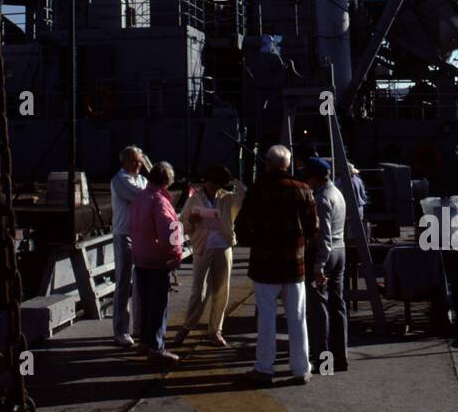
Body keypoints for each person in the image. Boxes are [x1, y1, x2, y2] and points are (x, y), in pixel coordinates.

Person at [234, 144, 318, 385]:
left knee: (267, 319)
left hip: (265, 265)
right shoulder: (303, 190)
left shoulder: (258, 190)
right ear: (288, 165)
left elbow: (241, 226)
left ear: (268, 164)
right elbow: (313, 228)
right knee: (298, 317)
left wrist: (255, 241)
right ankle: (301, 369)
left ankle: (264, 368)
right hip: (295, 265)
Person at [174, 164, 246, 347]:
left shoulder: (226, 198)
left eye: (218, 183)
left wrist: (232, 180)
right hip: (202, 247)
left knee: (222, 290)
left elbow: (244, 192)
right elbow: (183, 224)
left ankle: (215, 330)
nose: (214, 186)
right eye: (212, 182)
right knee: (199, 291)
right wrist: (191, 220)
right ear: (205, 181)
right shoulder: (194, 200)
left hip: (223, 247)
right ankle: (187, 326)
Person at [130, 161, 184, 365]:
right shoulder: (160, 202)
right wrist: (176, 253)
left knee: (145, 303)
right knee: (159, 305)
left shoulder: (140, 197)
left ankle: (144, 341)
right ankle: (156, 347)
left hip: (141, 257)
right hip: (157, 260)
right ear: (167, 180)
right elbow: (168, 232)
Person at [303, 157, 349, 373]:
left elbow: (324, 236)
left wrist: (318, 266)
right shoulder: (337, 193)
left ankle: (323, 361)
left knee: (319, 309)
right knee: (337, 306)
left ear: (315, 177)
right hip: (340, 251)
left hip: (325, 254)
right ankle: (340, 358)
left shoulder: (321, 199)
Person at [110, 145, 148, 347]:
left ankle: (139, 327)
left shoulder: (142, 180)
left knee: (140, 283)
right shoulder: (119, 180)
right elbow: (144, 198)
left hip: (141, 236)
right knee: (123, 283)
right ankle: (120, 330)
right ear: (124, 162)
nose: (138, 164)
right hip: (124, 234)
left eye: (140, 161)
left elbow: (148, 196)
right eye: (134, 161)